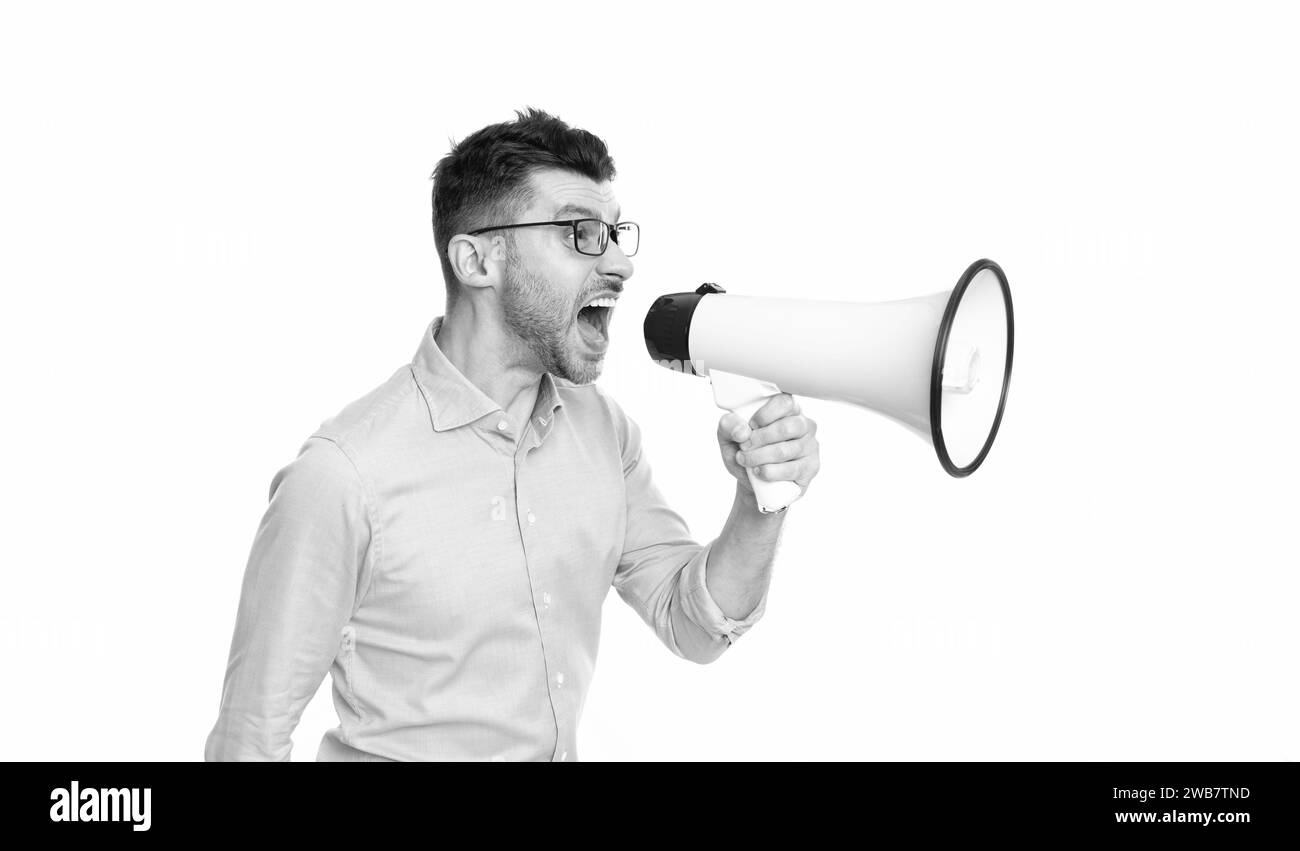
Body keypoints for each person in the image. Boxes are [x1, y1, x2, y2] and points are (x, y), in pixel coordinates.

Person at [203, 108, 821, 762]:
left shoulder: (602, 431)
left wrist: (762, 501)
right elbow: (250, 739)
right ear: (477, 260)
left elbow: (693, 625)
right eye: (580, 233)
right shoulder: (343, 476)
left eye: (614, 233)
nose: (620, 263)